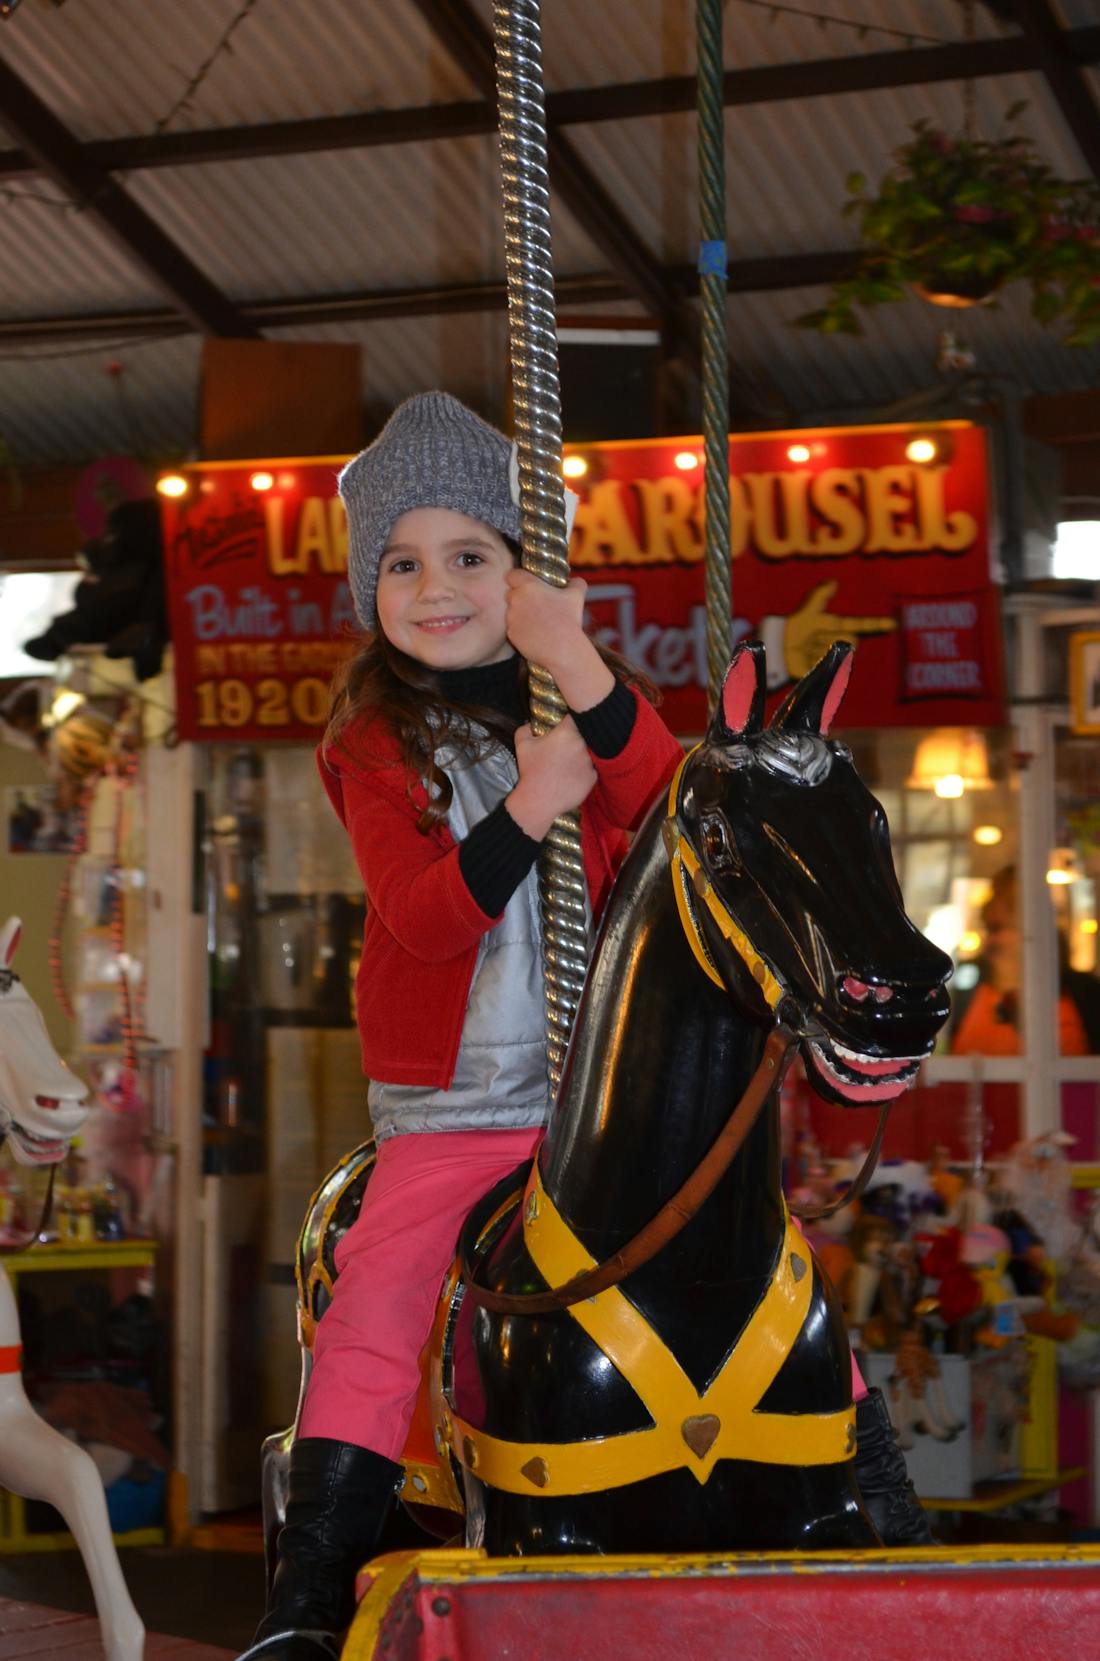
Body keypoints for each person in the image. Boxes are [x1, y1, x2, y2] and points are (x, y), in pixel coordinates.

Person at [241, 393, 684, 1661]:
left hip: (600, 1094)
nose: (432, 585)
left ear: (523, 570)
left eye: (468, 555)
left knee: (743, 1241)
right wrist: (532, 801)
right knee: (379, 1295)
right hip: (462, 1107)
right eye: (400, 560)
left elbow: (667, 802)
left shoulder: (575, 700)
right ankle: (310, 1585)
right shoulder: (376, 733)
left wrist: (582, 664)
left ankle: (861, 1468)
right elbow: (426, 920)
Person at [951, 866, 1100, 1056]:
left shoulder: (1085, 995)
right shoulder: (969, 989)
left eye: (998, 928)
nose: (992, 941)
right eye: (989, 929)